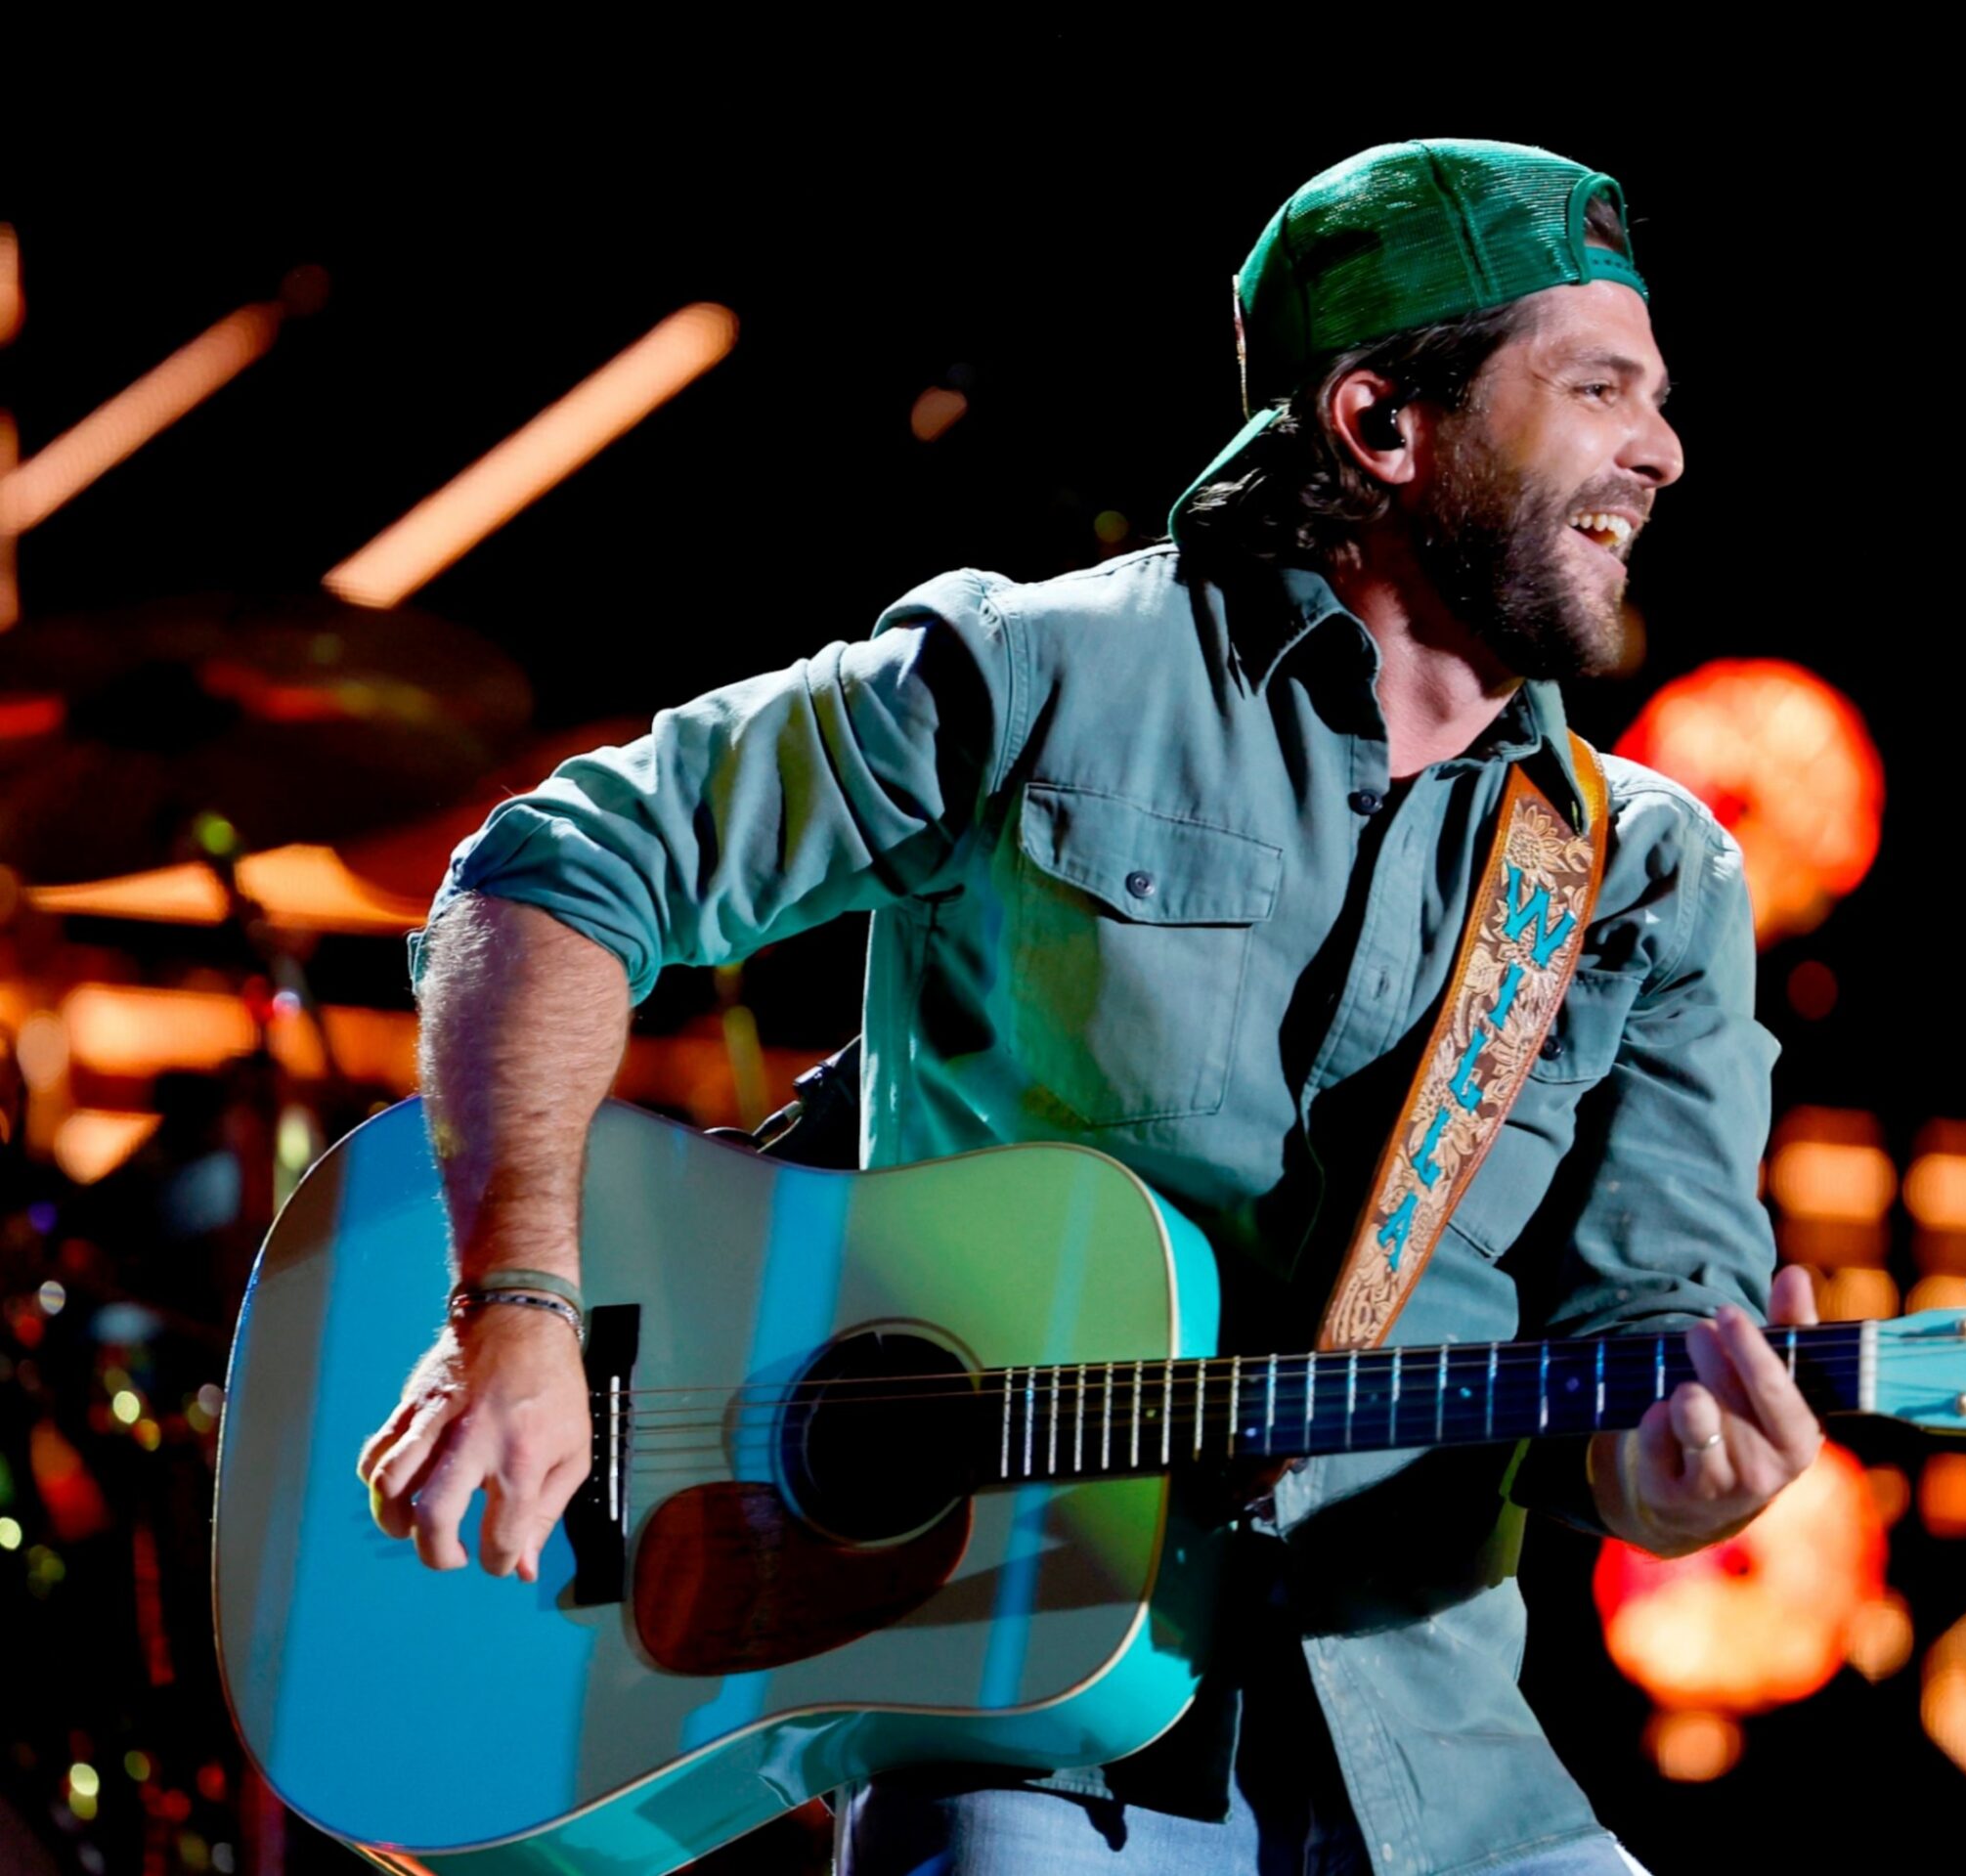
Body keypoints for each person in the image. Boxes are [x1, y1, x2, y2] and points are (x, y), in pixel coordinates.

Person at [355, 139, 1824, 1875]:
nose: (1661, 450)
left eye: (1657, 399)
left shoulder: (1651, 876)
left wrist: (1681, 1479)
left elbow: (1654, 1343)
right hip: (1014, 1746)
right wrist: (517, 1303)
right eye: (1597, 390)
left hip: (1439, 1778)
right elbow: (547, 873)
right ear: (1383, 423)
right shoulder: (1041, 676)